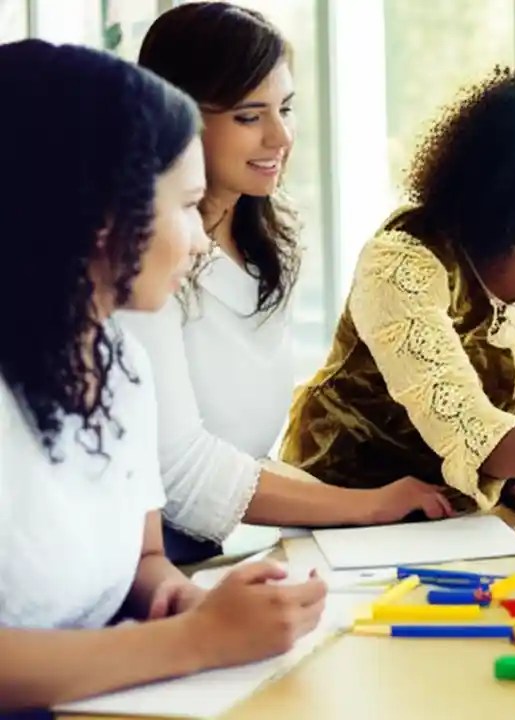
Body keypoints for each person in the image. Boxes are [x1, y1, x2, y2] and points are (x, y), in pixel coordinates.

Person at [0, 40, 325, 711]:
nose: (204, 240)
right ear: (99, 218)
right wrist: (196, 641)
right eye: (186, 206)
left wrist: (178, 598)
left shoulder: (125, 370)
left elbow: (144, 562)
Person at [120, 2, 452, 563]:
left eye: (287, 108)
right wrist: (364, 505)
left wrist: (366, 503)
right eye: (250, 117)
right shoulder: (144, 259)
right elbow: (179, 470)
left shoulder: (276, 238)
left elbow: (242, 446)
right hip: (147, 553)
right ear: (176, 119)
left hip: (211, 541)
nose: (280, 136)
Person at [281, 67, 515, 523]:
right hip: (342, 498)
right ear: (509, 194)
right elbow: (462, 420)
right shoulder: (402, 263)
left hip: (456, 515)